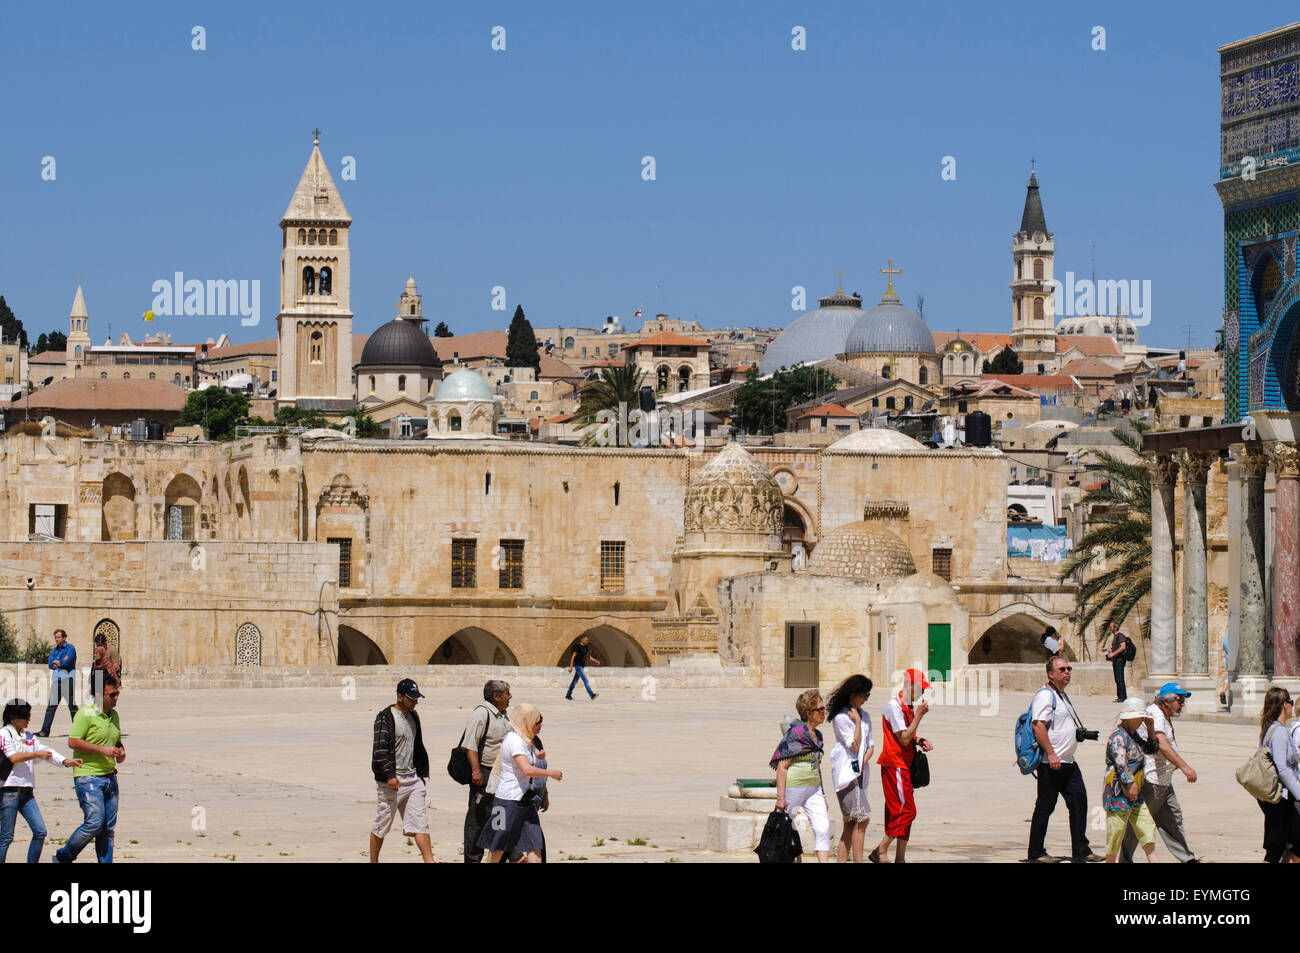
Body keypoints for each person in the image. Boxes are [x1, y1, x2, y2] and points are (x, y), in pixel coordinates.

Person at [1026, 656, 1105, 863]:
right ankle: (1036, 853)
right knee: (1045, 806)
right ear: (1051, 674)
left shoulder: (1062, 696)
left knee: (1079, 802)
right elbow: (1038, 726)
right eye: (1062, 669)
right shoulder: (1045, 696)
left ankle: (1081, 849)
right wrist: (1051, 753)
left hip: (1068, 761)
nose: (1067, 672)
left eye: (1069, 668)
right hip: (1051, 763)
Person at [1120, 683, 1198, 863]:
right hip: (1152, 780)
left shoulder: (1162, 715)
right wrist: (1185, 767)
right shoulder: (1154, 713)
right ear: (1166, 701)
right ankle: (1124, 858)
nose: (1182, 704)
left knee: (1172, 818)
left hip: (1163, 779)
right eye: (1180, 699)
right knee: (1140, 822)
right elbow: (1162, 744)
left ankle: (1187, 858)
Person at [53, 674, 124, 863]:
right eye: (112, 694)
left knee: (108, 828)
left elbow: (116, 740)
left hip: (110, 777)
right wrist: (103, 750)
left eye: (117, 693)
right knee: (94, 822)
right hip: (89, 777)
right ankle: (64, 856)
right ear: (99, 695)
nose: (116, 697)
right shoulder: (85, 713)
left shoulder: (114, 715)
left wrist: (121, 752)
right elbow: (73, 741)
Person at [0, 700, 82, 863]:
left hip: (27, 792)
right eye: (25, 716)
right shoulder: (3, 734)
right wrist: (36, 755)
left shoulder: (28, 737)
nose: (28, 720)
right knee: (6, 836)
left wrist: (65, 761)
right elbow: (13, 757)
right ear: (13, 718)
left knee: (40, 831)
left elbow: (46, 751)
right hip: (9, 790)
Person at [479, 704, 561, 863]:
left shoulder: (527, 739)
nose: (541, 725)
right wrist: (551, 773)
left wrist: (539, 758)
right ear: (526, 721)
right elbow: (526, 769)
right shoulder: (514, 740)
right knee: (497, 845)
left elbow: (526, 763)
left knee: (534, 843)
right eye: (538, 721)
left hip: (525, 801)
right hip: (506, 802)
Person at [869, 668, 932, 864]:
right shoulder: (894, 706)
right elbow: (903, 739)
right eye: (920, 688)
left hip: (904, 765)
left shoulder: (907, 706)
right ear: (910, 686)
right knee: (906, 811)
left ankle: (900, 857)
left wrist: (919, 739)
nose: (922, 693)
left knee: (899, 811)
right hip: (894, 765)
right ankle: (880, 850)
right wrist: (919, 716)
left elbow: (908, 735)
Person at [369, 678, 433, 863]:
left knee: (420, 822)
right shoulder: (385, 717)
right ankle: (373, 860)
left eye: (416, 698)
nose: (415, 702)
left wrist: (422, 774)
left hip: (412, 779)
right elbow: (380, 749)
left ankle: (429, 860)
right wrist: (390, 775)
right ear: (400, 697)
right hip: (392, 782)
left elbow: (418, 746)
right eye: (412, 698)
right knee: (382, 824)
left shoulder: (414, 716)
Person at [771, 689, 829, 862]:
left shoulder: (818, 736)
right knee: (786, 829)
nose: (823, 712)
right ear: (808, 713)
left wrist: (823, 794)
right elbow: (782, 766)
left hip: (814, 789)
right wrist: (781, 798)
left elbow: (817, 765)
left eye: (823, 708)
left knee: (823, 827)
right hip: (794, 787)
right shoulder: (795, 733)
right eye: (820, 709)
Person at [1103, 697, 1159, 863]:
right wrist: (1131, 785)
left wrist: (1150, 729)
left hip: (1136, 792)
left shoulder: (1133, 735)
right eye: (1140, 718)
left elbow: (1151, 749)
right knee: (1116, 832)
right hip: (1118, 794)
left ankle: (1153, 859)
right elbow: (1121, 765)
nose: (1142, 720)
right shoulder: (1118, 737)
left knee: (1146, 826)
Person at [461, 679, 511, 863]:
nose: (510, 696)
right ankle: (473, 858)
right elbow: (470, 746)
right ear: (496, 696)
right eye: (507, 693)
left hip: (501, 774)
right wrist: (476, 771)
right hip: (484, 772)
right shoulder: (481, 714)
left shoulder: (503, 715)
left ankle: (497, 857)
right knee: (477, 817)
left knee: (499, 815)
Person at [827, 674, 874, 863]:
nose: (866, 699)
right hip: (847, 773)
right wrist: (856, 723)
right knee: (861, 819)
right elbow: (854, 745)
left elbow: (870, 745)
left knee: (851, 823)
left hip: (860, 772)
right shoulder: (841, 718)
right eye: (864, 695)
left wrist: (863, 762)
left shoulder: (866, 716)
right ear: (854, 694)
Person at [1256, 687, 1300, 863]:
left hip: (1280, 798)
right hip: (1280, 799)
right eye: (1290, 702)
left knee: (1291, 845)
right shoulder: (1279, 732)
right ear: (1284, 705)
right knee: (1276, 849)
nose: (1292, 705)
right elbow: (1282, 768)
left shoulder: (1273, 728)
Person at [36, 629, 76, 738]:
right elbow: (50, 663)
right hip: (56, 679)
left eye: (58, 637)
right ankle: (45, 731)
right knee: (51, 706)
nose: (57, 639)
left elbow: (66, 662)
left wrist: (59, 662)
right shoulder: (55, 650)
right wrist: (58, 663)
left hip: (67, 679)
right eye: (55, 637)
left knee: (72, 706)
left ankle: (79, 730)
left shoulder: (70, 648)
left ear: (64, 637)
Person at [565, 635, 601, 701]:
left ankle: (568, 695)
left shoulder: (585, 648)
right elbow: (573, 657)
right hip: (578, 666)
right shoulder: (577, 647)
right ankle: (591, 695)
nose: (587, 641)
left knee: (574, 682)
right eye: (586, 640)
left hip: (582, 666)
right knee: (585, 680)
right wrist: (571, 667)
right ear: (582, 640)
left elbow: (588, 657)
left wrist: (596, 661)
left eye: (588, 640)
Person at [1103, 622, 1132, 703]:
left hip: (1120, 661)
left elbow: (1123, 647)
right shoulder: (1116, 636)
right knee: (1117, 679)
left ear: (1115, 628)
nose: (1109, 628)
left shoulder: (1120, 636)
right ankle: (1120, 697)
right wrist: (1107, 650)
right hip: (1116, 661)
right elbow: (1116, 648)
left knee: (1120, 679)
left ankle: (1123, 697)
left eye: (1111, 627)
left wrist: (1113, 654)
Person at [90, 633, 120, 702]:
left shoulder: (112, 649)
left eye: (100, 645)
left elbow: (115, 666)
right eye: (97, 645)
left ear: (105, 643)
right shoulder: (97, 650)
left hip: (107, 676)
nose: (99, 647)